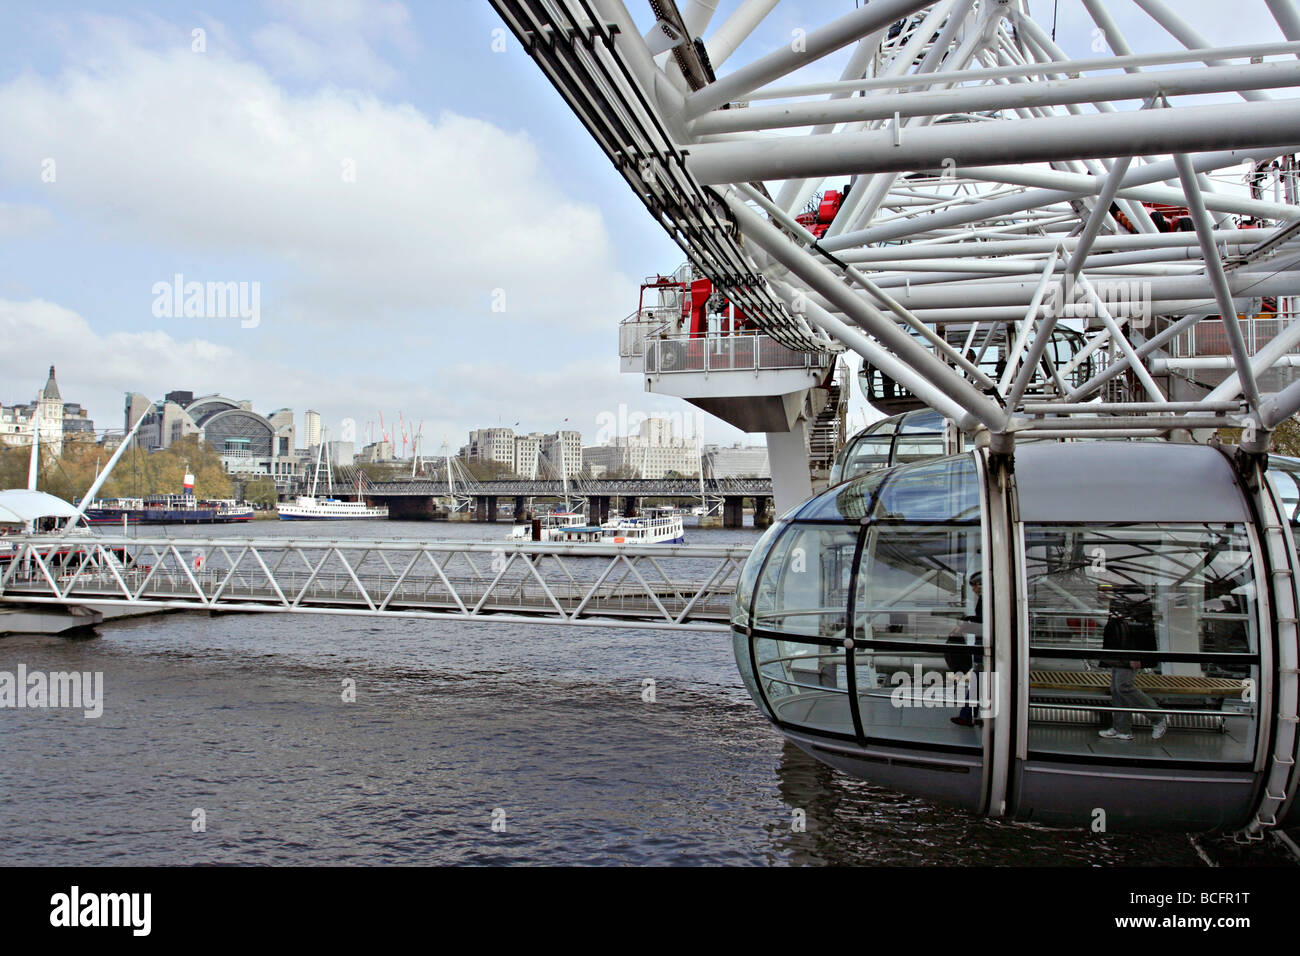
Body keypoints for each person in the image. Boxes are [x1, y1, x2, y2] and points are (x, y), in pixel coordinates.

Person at [1098, 585, 1168, 741]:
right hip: (1119, 651)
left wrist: (1136, 656)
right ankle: (1121, 728)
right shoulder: (1123, 599)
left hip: (1127, 652)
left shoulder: (1133, 599)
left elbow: (1139, 630)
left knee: (1123, 686)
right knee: (1116, 688)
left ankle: (1158, 717)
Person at [949, 573, 983, 727]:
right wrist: (969, 619)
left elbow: (985, 623)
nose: (975, 589)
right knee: (979, 680)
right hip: (982, 643)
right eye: (973, 586)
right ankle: (970, 715)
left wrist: (964, 626)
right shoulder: (989, 599)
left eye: (977, 585)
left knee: (978, 679)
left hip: (982, 644)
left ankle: (967, 715)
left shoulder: (988, 600)